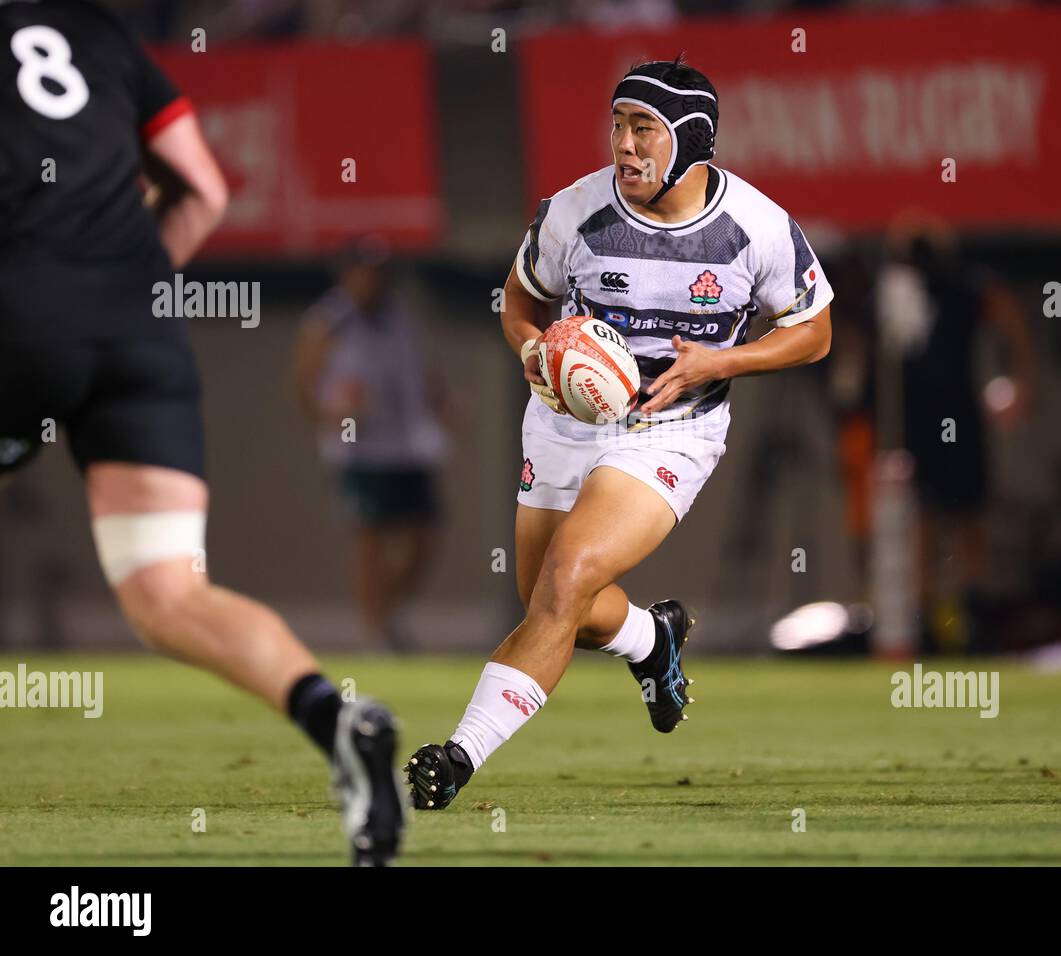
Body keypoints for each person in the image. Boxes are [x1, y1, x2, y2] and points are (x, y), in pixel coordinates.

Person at [0, 0, 403, 865]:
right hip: (139, 322)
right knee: (171, 596)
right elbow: (206, 187)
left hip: (19, 311)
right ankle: (338, 721)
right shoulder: (97, 32)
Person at [406, 56, 833, 809]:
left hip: (669, 434)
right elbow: (517, 302)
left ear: (692, 142)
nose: (624, 145)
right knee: (547, 598)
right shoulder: (575, 210)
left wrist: (725, 360)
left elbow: (815, 332)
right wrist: (533, 349)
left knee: (565, 582)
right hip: (563, 424)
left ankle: (459, 755)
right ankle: (651, 639)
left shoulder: (757, 228)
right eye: (617, 125)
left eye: (645, 129)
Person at [873, 213, 1037, 652]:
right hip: (920, 419)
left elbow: (1006, 313)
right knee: (927, 523)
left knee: (966, 521)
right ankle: (931, 622)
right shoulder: (900, 289)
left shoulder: (966, 285)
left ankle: (972, 620)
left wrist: (1021, 376)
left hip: (957, 415)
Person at [292, 238, 451, 652]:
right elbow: (305, 382)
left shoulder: (400, 316)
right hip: (359, 447)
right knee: (370, 539)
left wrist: (443, 404)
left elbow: (420, 371)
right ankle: (373, 629)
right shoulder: (328, 321)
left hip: (407, 443)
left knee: (423, 536)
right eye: (364, 270)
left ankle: (392, 611)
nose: (372, 279)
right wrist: (331, 417)